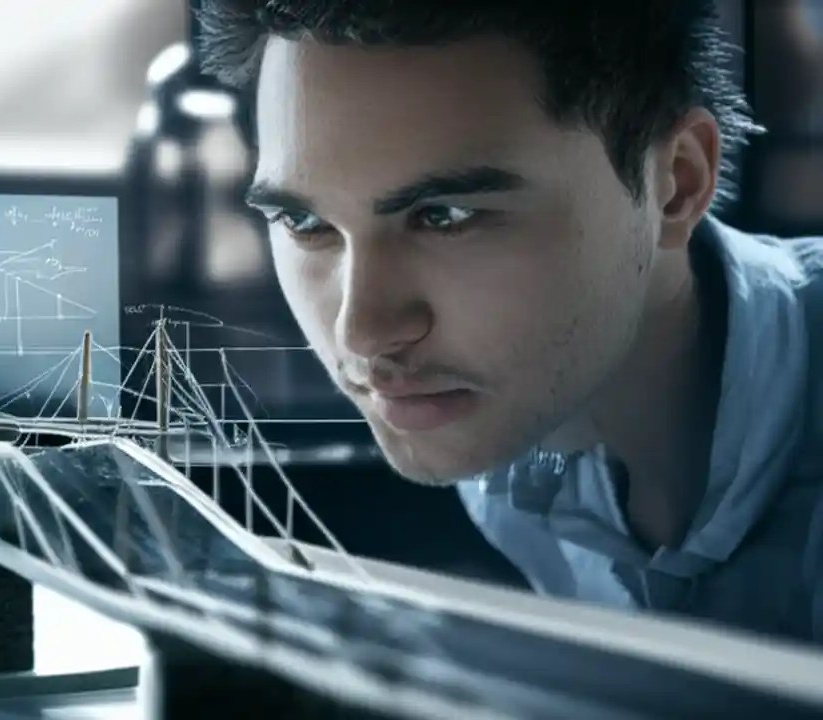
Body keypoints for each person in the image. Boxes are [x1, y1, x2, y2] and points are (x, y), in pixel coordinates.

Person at [196, 0, 823, 644]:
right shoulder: (504, 455)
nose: (362, 332)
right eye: (306, 223)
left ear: (676, 183)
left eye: (445, 217)